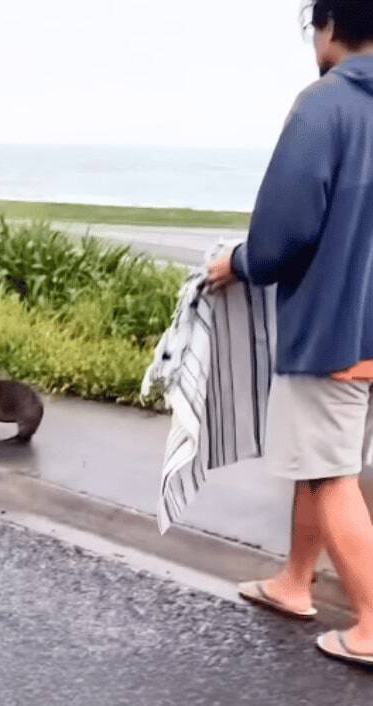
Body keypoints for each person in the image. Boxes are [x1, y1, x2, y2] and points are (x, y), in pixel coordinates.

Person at [206, 0, 373, 666]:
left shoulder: (325, 106)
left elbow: (281, 236)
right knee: (325, 461)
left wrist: (239, 262)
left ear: (329, 26)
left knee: (329, 475)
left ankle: (371, 623)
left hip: (336, 328)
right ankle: (294, 581)